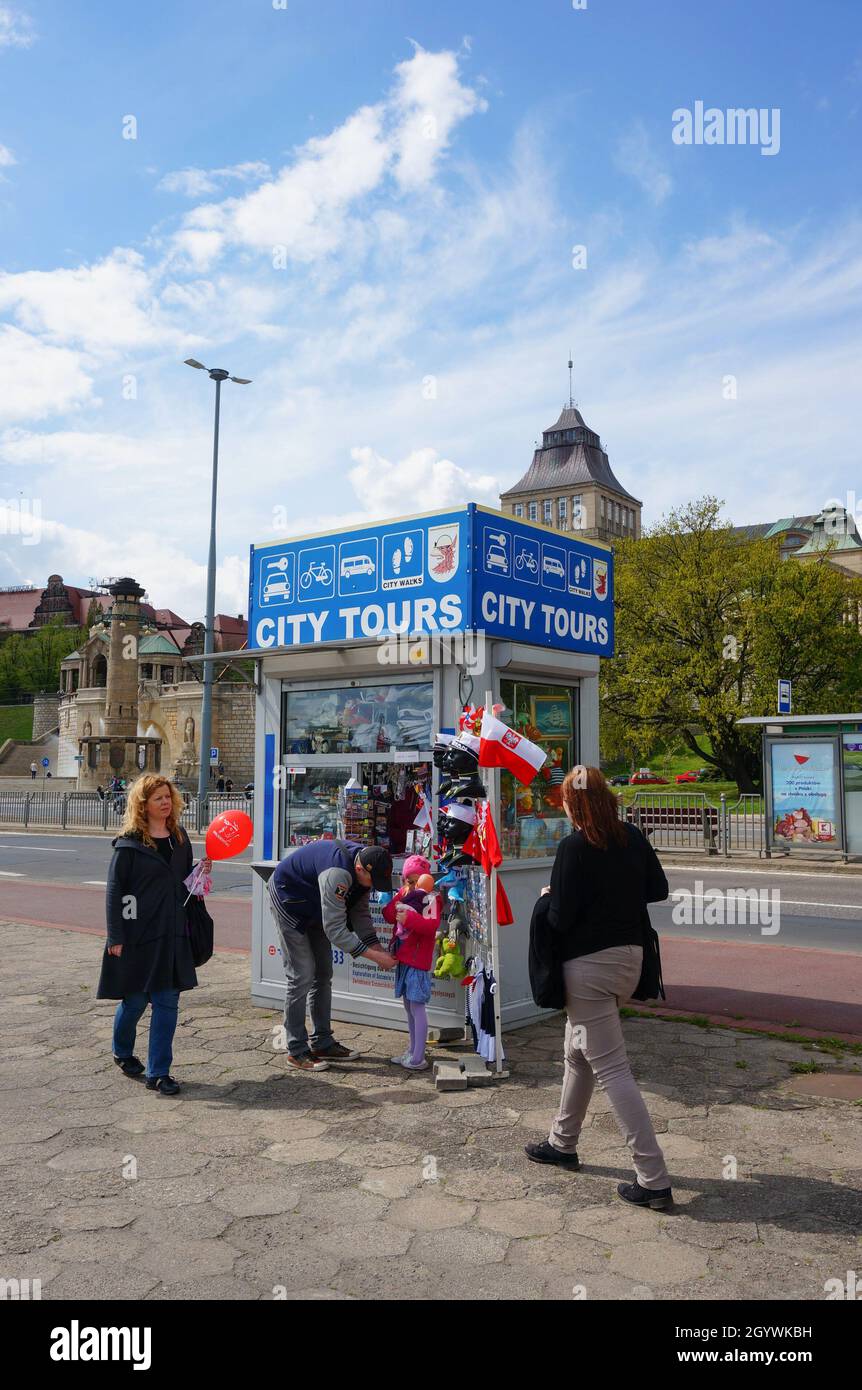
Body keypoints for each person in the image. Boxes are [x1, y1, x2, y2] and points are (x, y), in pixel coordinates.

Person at [524, 765, 673, 1210]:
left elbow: (560, 919)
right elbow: (658, 889)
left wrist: (550, 895)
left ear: (572, 804)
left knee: (612, 1068)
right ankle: (561, 1142)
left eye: (565, 802)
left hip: (588, 969)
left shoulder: (574, 846)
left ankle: (653, 1179)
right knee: (577, 1050)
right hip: (630, 960)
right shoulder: (632, 836)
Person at [97, 774, 212, 1096]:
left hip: (173, 932)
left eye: (167, 796)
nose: (165, 802)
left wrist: (200, 873)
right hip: (138, 934)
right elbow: (114, 892)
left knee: (167, 1001)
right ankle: (122, 1051)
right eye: (157, 798)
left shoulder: (179, 837)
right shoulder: (129, 843)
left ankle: (159, 1072)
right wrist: (115, 937)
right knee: (135, 1001)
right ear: (143, 804)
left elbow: (184, 882)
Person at [268, 840, 396, 1071]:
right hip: (289, 903)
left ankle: (323, 1043)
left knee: (324, 973)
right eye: (372, 881)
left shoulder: (364, 866)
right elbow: (335, 930)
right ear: (360, 869)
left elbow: (360, 913)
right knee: (301, 976)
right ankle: (296, 1050)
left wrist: (376, 946)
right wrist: (375, 957)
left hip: (317, 907)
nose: (373, 887)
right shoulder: (337, 874)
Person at [381, 854, 441, 1071]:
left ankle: (418, 1057)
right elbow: (388, 915)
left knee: (417, 1006)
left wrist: (411, 919)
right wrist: (399, 898)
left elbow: (431, 926)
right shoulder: (404, 893)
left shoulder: (432, 898)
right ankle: (412, 1049)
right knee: (408, 1006)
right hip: (404, 958)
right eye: (409, 880)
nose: (414, 885)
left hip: (418, 960)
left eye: (418, 880)